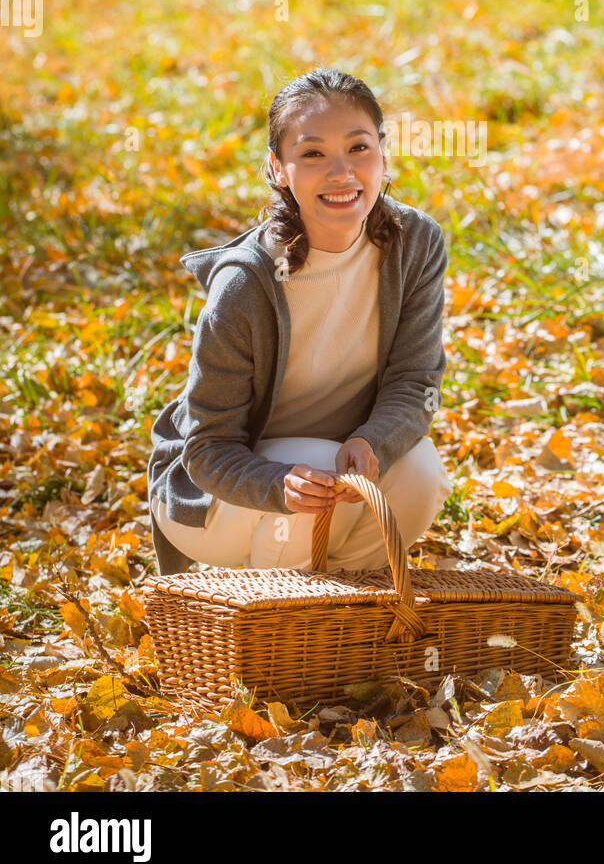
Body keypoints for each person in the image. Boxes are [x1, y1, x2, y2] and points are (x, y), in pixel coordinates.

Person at [147, 66, 452, 575]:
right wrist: (275, 485)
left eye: (359, 148)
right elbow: (207, 450)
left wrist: (369, 442)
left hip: (332, 464)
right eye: (312, 154)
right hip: (219, 497)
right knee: (316, 463)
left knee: (420, 470)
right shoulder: (247, 283)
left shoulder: (415, 243)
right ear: (278, 168)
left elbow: (415, 381)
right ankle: (272, 633)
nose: (341, 173)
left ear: (382, 151)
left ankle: (337, 619)